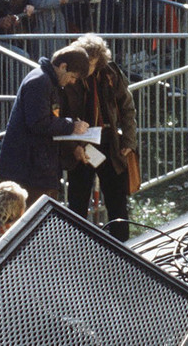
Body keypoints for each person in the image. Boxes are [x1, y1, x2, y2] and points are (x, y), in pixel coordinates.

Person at [61, 35, 136, 241]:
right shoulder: (71, 79)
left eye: (92, 63)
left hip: (109, 142)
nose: (88, 67)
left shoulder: (110, 74)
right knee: (78, 203)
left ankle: (122, 248)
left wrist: (129, 141)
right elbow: (62, 117)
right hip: (82, 146)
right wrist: (74, 146)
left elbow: (126, 106)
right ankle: (77, 252)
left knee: (117, 201)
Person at [0, 43, 90, 200]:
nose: (73, 82)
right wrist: (71, 126)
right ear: (63, 66)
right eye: (73, 76)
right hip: (28, 169)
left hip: (35, 166)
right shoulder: (40, 82)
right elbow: (38, 122)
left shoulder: (47, 81)